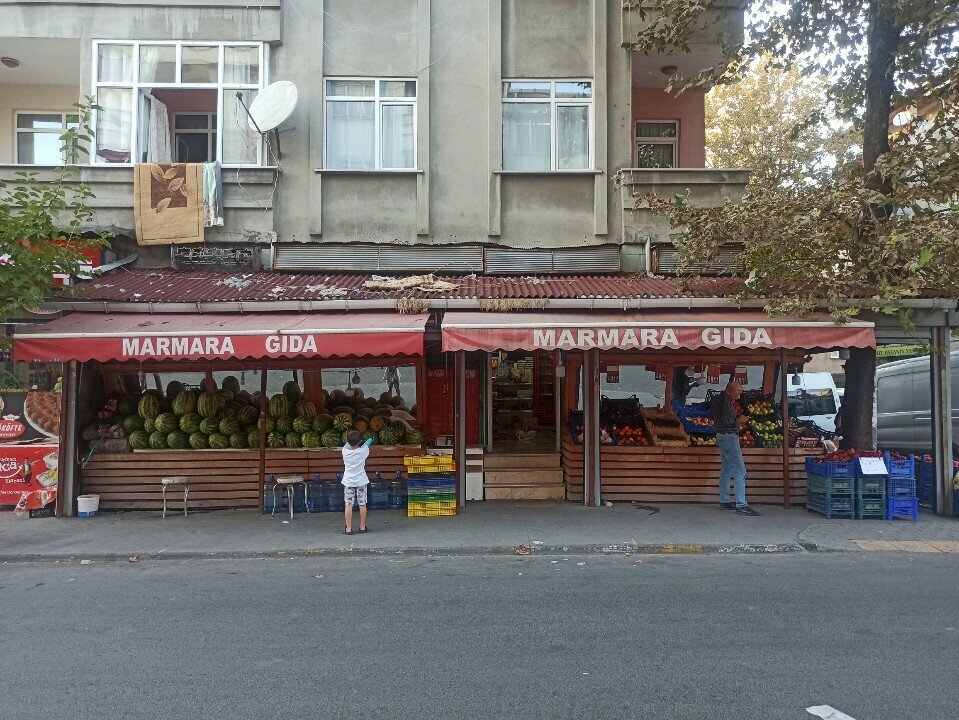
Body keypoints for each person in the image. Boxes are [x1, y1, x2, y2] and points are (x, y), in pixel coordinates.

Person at [711, 381, 759, 515]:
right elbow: (727, 421)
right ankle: (742, 505)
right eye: (738, 393)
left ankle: (725, 501)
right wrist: (740, 420)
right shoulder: (725, 402)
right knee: (740, 471)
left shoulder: (717, 399)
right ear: (732, 390)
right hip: (729, 437)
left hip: (721, 436)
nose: (739, 396)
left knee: (727, 469)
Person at [341, 430, 374, 535]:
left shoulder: (344, 451)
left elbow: (347, 444)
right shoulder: (363, 451)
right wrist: (362, 442)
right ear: (359, 441)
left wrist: (350, 439)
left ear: (346, 439)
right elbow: (369, 440)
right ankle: (362, 527)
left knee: (348, 504)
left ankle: (349, 528)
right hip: (361, 481)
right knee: (362, 504)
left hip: (348, 482)